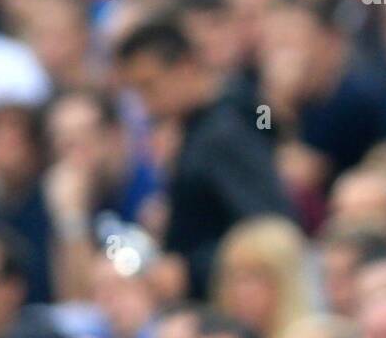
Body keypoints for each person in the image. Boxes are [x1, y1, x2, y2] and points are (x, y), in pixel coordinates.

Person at [115, 17, 295, 300]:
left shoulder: (224, 133)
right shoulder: (197, 127)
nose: (145, 103)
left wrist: (191, 270)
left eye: (149, 86)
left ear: (185, 66)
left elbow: (269, 229)